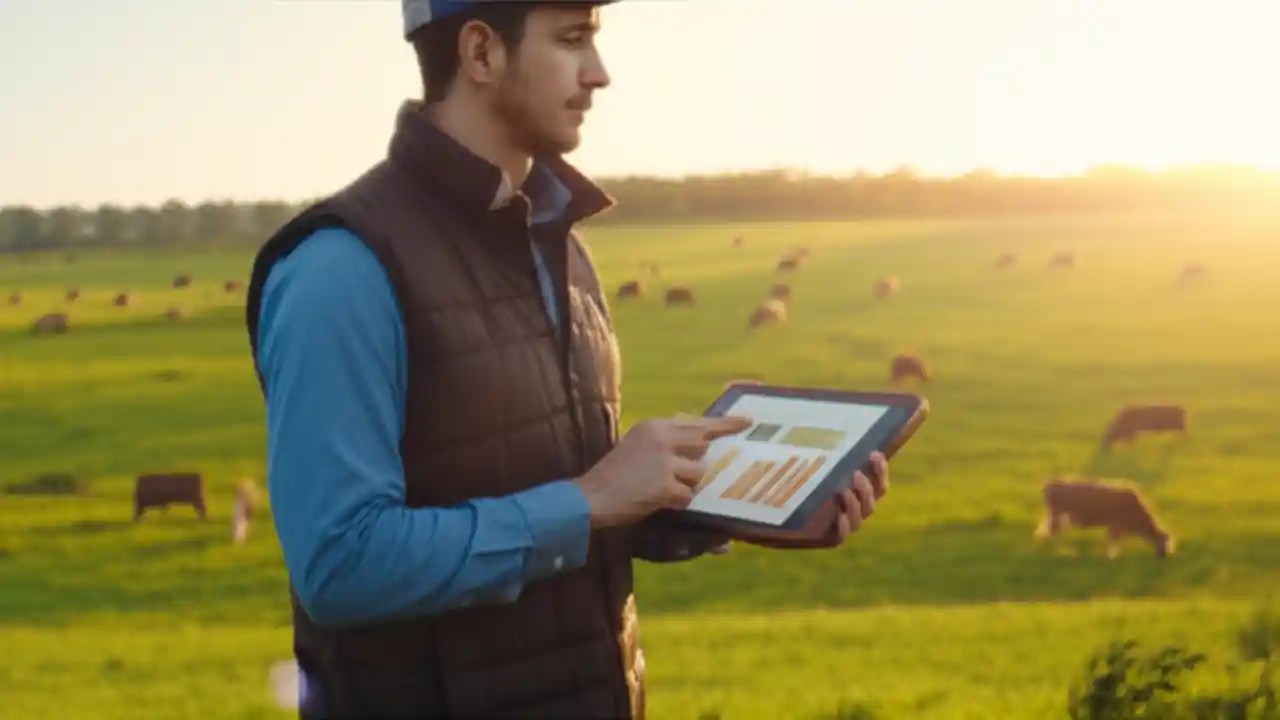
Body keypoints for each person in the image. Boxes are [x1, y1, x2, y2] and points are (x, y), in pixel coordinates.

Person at [245, 2, 890, 717]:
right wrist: (593, 499)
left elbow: (567, 497)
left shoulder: (563, 247)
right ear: (482, 54)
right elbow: (340, 564)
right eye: (572, 40)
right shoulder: (341, 268)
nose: (600, 74)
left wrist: (734, 505)